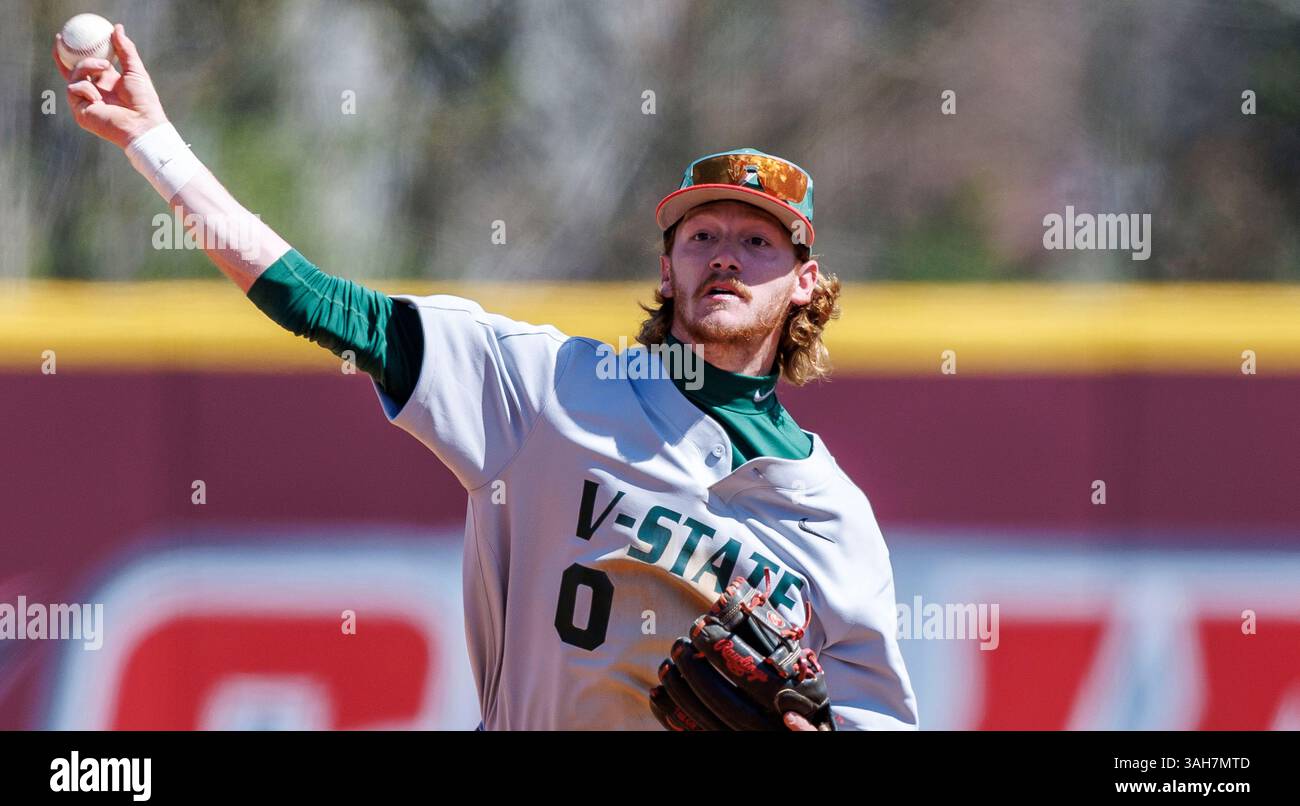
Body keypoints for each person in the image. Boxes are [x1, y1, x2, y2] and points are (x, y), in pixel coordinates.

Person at [56, 25, 918, 731]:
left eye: (758, 240)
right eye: (702, 236)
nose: (725, 255)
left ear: (805, 281)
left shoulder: (832, 517)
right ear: (666, 270)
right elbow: (319, 302)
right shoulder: (549, 388)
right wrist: (153, 143)